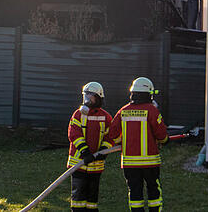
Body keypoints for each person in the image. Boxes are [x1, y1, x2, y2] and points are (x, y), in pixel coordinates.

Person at [108, 77, 169, 212]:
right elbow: (161, 134)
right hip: (150, 162)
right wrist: (165, 140)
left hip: (130, 163)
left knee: (134, 192)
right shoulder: (152, 110)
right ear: (148, 94)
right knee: (153, 189)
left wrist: (123, 141)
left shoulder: (123, 111)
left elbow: (112, 134)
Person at [67, 81, 114, 211]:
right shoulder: (78, 114)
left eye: (90, 96)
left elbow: (110, 136)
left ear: (98, 97)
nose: (87, 100)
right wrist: (85, 152)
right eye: (85, 96)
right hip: (78, 163)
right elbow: (74, 134)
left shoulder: (106, 117)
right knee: (78, 196)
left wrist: (104, 151)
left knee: (92, 197)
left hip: (96, 165)